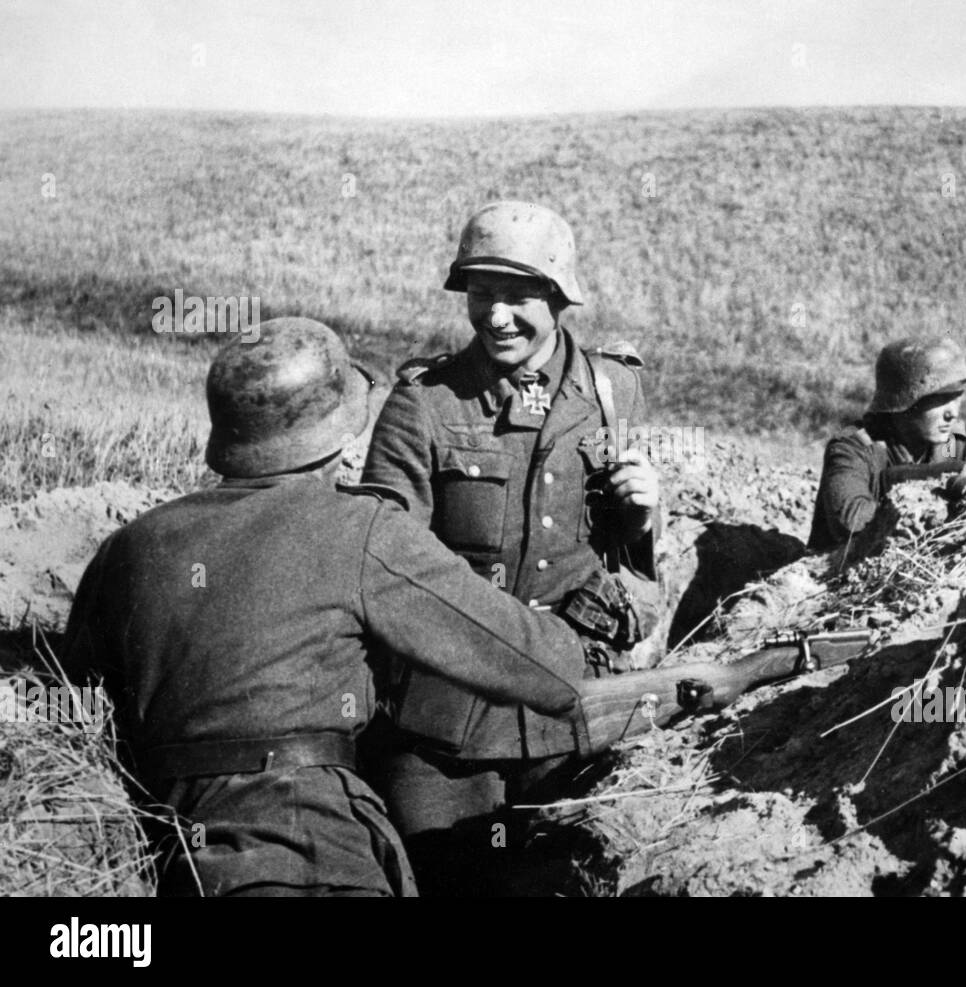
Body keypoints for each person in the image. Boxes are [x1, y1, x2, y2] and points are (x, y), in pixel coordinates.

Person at [61, 317, 594, 897]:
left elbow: (81, 708)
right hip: (316, 853)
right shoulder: (360, 529)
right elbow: (545, 668)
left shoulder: (131, 546)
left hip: (170, 855)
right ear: (340, 434)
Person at [360, 200, 662, 893]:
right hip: (443, 720)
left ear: (559, 297)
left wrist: (643, 516)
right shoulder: (426, 403)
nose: (495, 315)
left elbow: (628, 561)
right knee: (440, 877)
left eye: (516, 295)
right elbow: (382, 564)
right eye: (481, 293)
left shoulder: (614, 389)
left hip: (576, 703)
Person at [808, 336, 966, 552]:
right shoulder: (855, 448)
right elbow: (850, 521)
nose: (953, 413)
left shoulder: (955, 444)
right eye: (941, 400)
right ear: (903, 403)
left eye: (957, 398)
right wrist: (925, 506)